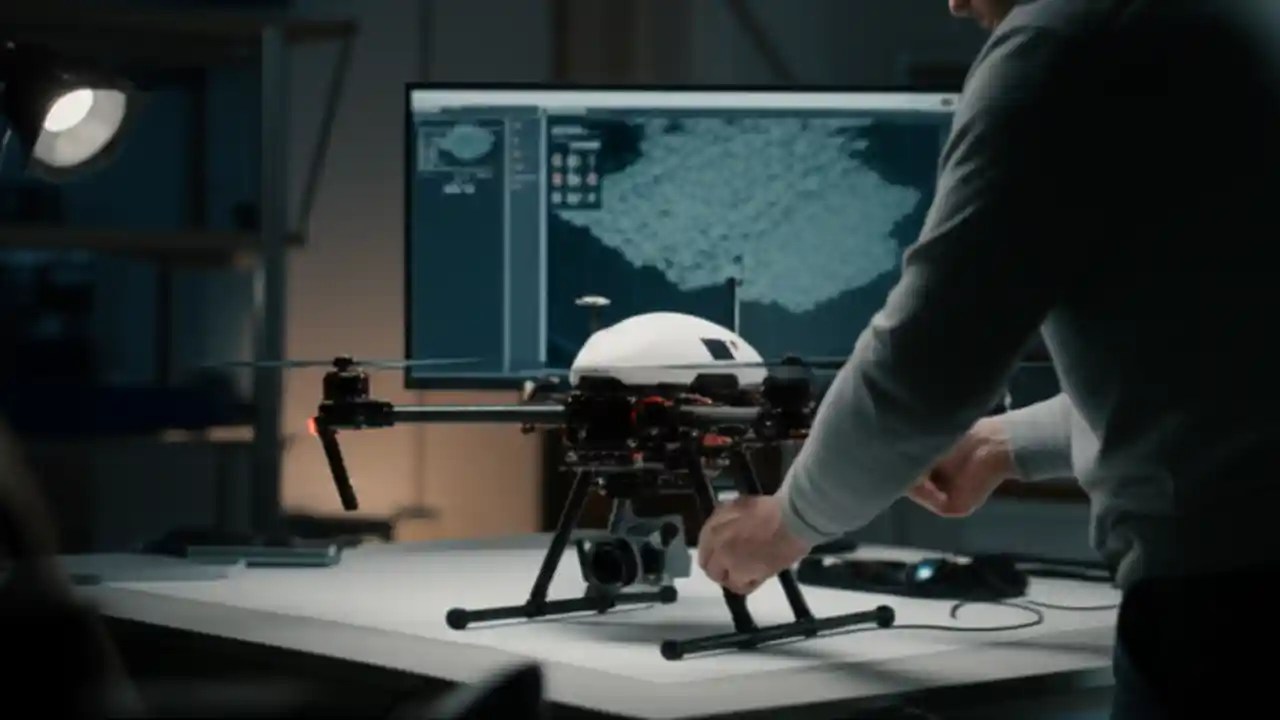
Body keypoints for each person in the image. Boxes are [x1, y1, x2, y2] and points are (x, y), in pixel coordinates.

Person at [696, 0, 1280, 717]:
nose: (954, 3)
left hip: (1228, 609)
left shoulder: (1066, 38)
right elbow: (1217, 368)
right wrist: (1006, 443)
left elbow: (925, 366)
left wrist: (788, 522)